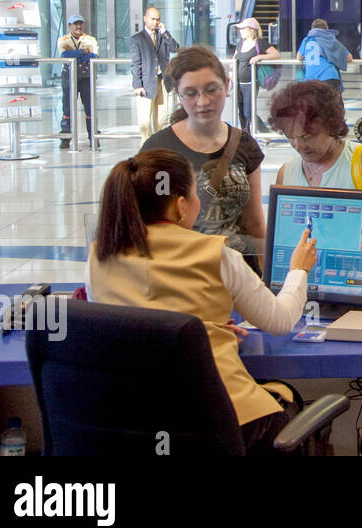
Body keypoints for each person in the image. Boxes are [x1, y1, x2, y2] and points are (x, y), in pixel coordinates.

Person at [85, 149, 318, 454]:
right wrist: (299, 269)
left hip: (134, 423)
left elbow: (130, 321)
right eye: (195, 193)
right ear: (180, 206)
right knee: (285, 403)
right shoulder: (216, 254)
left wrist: (202, 330)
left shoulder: (100, 253)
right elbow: (280, 320)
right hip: (224, 426)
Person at [141, 46, 267, 271]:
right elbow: (151, 225)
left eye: (211, 90)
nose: (203, 101)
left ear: (227, 86)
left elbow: (254, 222)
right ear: (179, 95)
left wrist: (268, 280)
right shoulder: (159, 149)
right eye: (191, 93)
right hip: (184, 273)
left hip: (240, 272)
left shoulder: (244, 144)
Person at [268, 79, 362, 241]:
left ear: (331, 125)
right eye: (290, 137)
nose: (299, 145)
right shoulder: (287, 173)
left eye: (308, 136)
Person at [129, 6, 180, 140]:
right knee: (145, 120)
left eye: (158, 19)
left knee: (162, 117)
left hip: (162, 80)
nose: (155, 22)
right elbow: (136, 64)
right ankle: (146, 147)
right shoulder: (137, 39)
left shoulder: (162, 36)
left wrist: (165, 32)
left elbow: (175, 48)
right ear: (145, 19)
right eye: (152, 19)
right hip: (146, 83)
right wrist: (137, 85)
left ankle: (160, 145)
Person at [57, 14, 99, 149]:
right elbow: (64, 55)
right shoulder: (63, 39)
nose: (78, 26)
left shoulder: (90, 39)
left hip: (86, 77)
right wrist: (84, 52)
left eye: (80, 23)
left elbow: (94, 56)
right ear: (70, 26)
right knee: (67, 107)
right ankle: (65, 136)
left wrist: (77, 53)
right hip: (69, 77)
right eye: (75, 24)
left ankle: (93, 136)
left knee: (90, 107)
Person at [233, 17, 280, 133]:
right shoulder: (240, 44)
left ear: (251, 30)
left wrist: (259, 57)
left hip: (251, 82)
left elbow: (276, 54)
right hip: (239, 82)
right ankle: (246, 133)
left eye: (243, 28)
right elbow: (235, 58)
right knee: (242, 111)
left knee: (248, 111)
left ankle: (263, 133)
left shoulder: (259, 43)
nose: (240, 31)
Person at [296, 18, 352, 98]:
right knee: (331, 106)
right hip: (328, 77)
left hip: (310, 80)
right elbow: (348, 57)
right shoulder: (329, 39)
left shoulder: (306, 40)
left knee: (314, 107)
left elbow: (299, 57)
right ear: (327, 29)